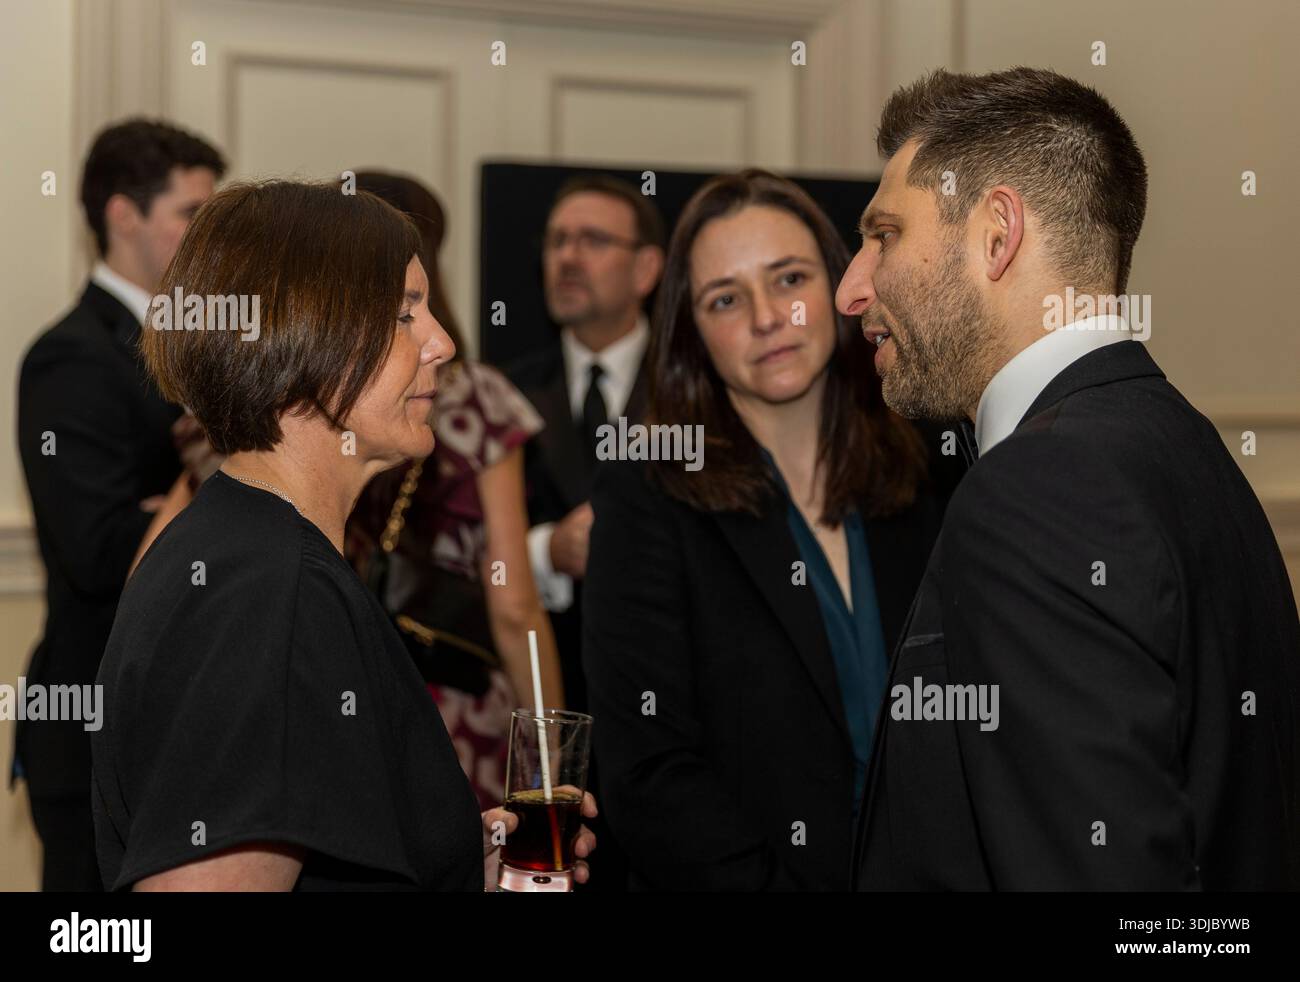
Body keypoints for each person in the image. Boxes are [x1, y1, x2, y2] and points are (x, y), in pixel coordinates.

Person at [838, 67, 1300, 890]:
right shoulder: (1181, 443)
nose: (852, 288)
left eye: (884, 236)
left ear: (996, 234)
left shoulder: (1040, 486)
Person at [91, 180, 596, 890]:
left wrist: (464, 872)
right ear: (304, 343)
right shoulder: (267, 592)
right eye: (402, 314)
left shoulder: (243, 542)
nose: (442, 342)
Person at [582, 170, 961, 890]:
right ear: (691, 331)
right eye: (726, 298)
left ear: (841, 285)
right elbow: (649, 774)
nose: (766, 317)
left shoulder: (928, 464)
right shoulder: (647, 491)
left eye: (789, 278)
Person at [13, 118, 224, 891]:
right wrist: (195, 479)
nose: (209, 239)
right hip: (95, 717)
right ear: (123, 216)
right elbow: (99, 550)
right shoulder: (72, 354)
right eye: (191, 216)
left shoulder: (197, 346)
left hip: (177, 718)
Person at [343, 171, 563, 813]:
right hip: (454, 711)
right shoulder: (479, 399)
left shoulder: (285, 391)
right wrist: (552, 772)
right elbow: (515, 604)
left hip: (339, 691)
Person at [507, 174, 664, 714]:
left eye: (593, 240)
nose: (568, 258)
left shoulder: (697, 394)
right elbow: (461, 555)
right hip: (551, 698)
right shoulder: (507, 395)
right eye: (557, 241)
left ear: (647, 268)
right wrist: (545, 551)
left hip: (671, 694)